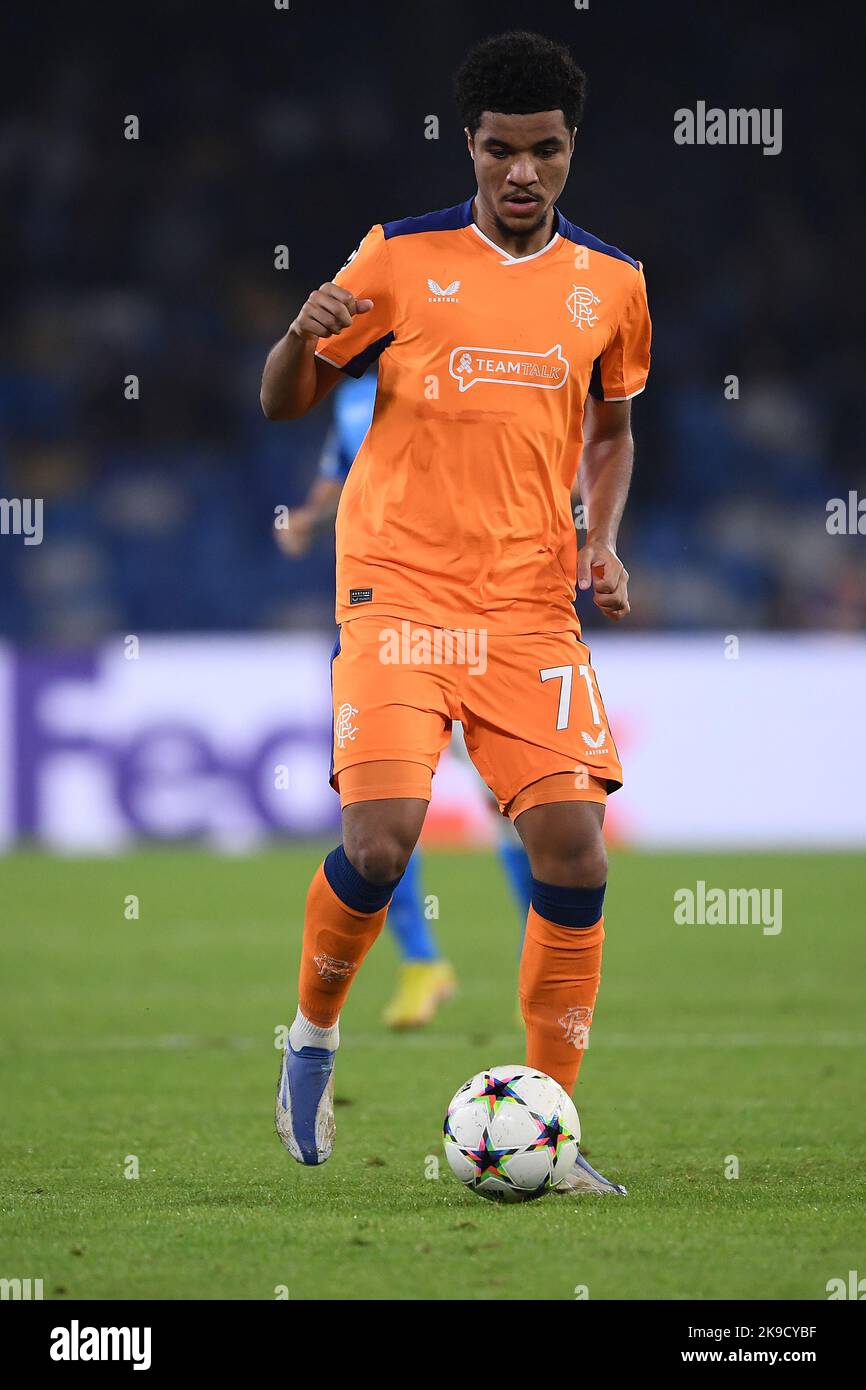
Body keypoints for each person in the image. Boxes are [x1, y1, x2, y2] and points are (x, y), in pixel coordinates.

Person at [261, 29, 651, 1195]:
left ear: (569, 150)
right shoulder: (396, 258)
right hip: (397, 590)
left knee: (572, 857)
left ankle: (556, 1127)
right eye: (497, 152)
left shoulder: (612, 286)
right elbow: (287, 401)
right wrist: (298, 329)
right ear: (468, 149)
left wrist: (604, 538)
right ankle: (313, 1037)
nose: (519, 174)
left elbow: (615, 429)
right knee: (378, 842)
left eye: (540, 152)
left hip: (530, 604)